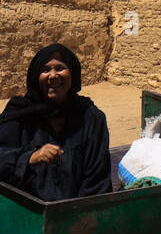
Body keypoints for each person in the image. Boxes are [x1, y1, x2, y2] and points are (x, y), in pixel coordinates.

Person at [0, 44, 112, 201]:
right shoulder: (20, 114)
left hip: (78, 215)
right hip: (25, 213)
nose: (53, 76)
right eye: (45, 70)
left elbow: (97, 178)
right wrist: (30, 158)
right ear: (35, 77)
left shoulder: (91, 117)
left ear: (73, 74)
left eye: (60, 68)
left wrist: (77, 217)